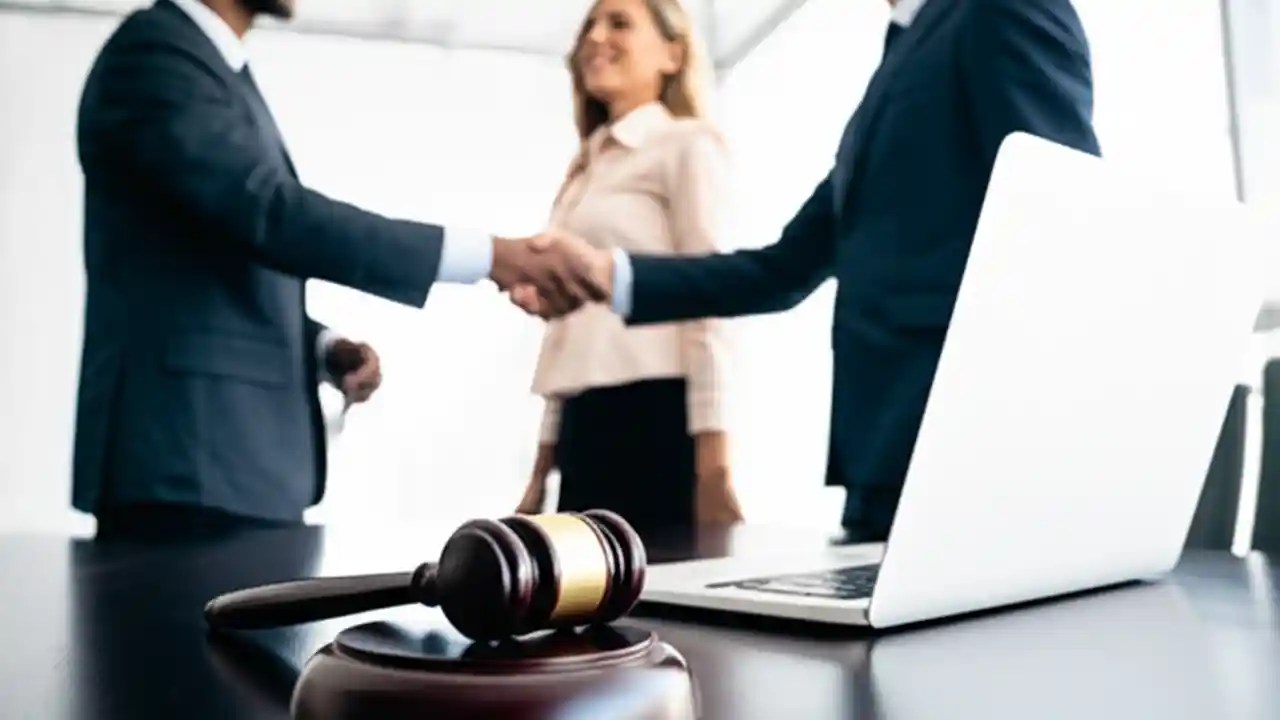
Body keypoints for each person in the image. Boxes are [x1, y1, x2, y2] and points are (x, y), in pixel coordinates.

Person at [511, 0, 1102, 543]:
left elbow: (1059, 218)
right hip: (876, 463)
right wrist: (608, 274)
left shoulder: (998, 10)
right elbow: (780, 271)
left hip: (969, 456)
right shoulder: (897, 62)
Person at [74, 0, 604, 541]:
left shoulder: (208, 63)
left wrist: (321, 347)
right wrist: (491, 255)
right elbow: (270, 213)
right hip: (187, 456)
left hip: (222, 461)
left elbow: (209, 261)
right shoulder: (157, 53)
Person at [513, 0, 744, 531]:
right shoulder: (583, 169)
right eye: (589, 26)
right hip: (584, 427)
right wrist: (541, 469)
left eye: (619, 23)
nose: (595, 37)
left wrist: (715, 463)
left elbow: (713, 298)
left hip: (656, 418)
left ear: (672, 54)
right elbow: (568, 330)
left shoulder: (687, 145)